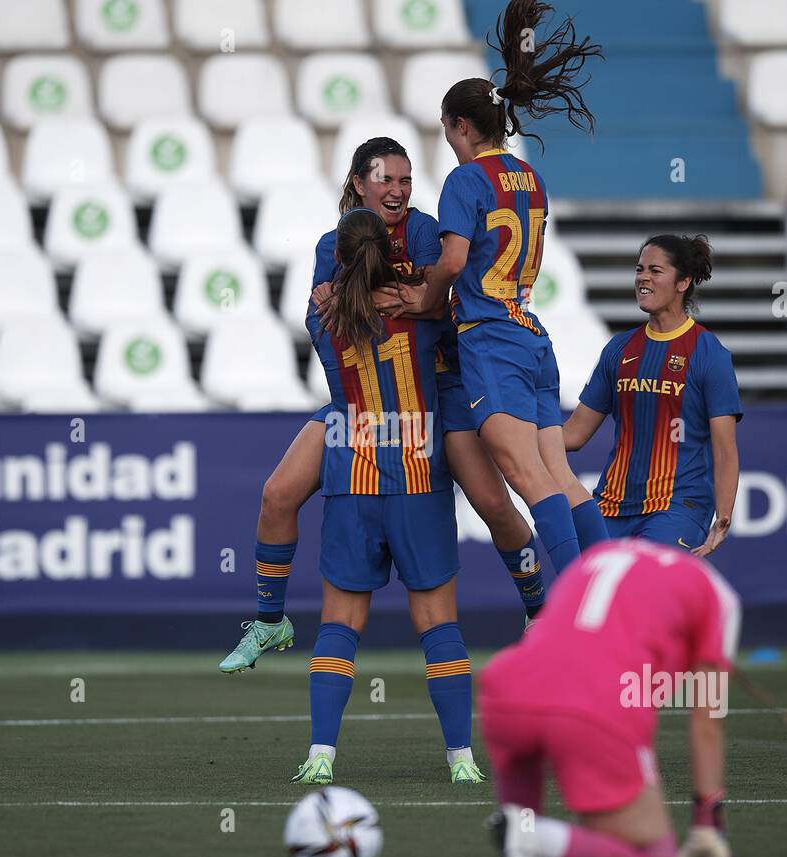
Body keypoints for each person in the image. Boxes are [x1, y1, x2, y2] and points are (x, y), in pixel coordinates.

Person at [218, 138, 546, 675]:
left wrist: (388, 299)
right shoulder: (332, 243)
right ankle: (269, 620)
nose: (397, 190)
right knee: (278, 493)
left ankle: (539, 609)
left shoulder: (423, 230)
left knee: (492, 503)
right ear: (357, 183)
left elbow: (439, 302)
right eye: (386, 180)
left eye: (405, 180)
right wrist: (399, 296)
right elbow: (325, 316)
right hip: (366, 396)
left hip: (437, 391)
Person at [387, 0, 608, 579]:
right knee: (561, 476)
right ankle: (610, 586)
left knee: (530, 481)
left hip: (490, 338)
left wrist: (424, 295)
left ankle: (573, 604)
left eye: (447, 131)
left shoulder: (465, 179)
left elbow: (455, 260)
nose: (449, 142)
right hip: (533, 334)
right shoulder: (529, 177)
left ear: (461, 126)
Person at [291, 207, 485, 786]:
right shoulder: (425, 317)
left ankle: (322, 755)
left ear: (340, 261)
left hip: (352, 475)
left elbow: (324, 299)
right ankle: (462, 761)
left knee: (339, 625)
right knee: (437, 623)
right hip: (419, 475)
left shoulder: (322, 319)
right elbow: (451, 318)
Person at [479, 538, 741, 857]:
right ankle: (532, 835)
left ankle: (529, 835)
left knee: (527, 839)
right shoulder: (720, 599)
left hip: (508, 690)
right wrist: (706, 821)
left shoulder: (603, 553)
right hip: (592, 702)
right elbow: (708, 719)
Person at [563, 235, 742, 556]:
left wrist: (723, 515)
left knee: (642, 588)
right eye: (639, 269)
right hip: (610, 506)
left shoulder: (708, 353)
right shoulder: (619, 349)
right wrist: (514, 437)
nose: (643, 277)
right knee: (599, 599)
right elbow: (574, 435)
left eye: (656, 270)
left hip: (677, 507)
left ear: (683, 282)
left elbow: (725, 449)